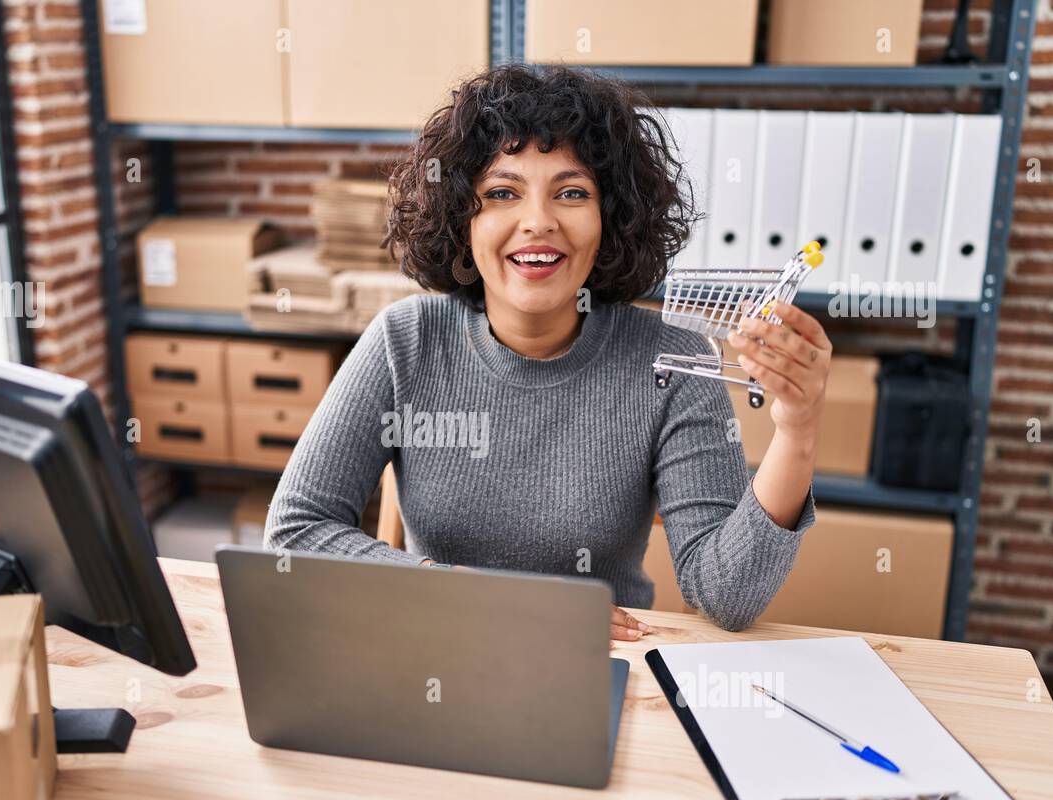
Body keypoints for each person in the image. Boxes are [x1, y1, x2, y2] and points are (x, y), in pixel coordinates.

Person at [265, 65, 830, 639]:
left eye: (572, 192)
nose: (537, 222)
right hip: (441, 647)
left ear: (610, 220)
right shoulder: (404, 341)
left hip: (603, 665)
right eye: (502, 193)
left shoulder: (675, 363)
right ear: (463, 218)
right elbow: (295, 532)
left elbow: (725, 597)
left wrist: (797, 431)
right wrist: (487, 599)